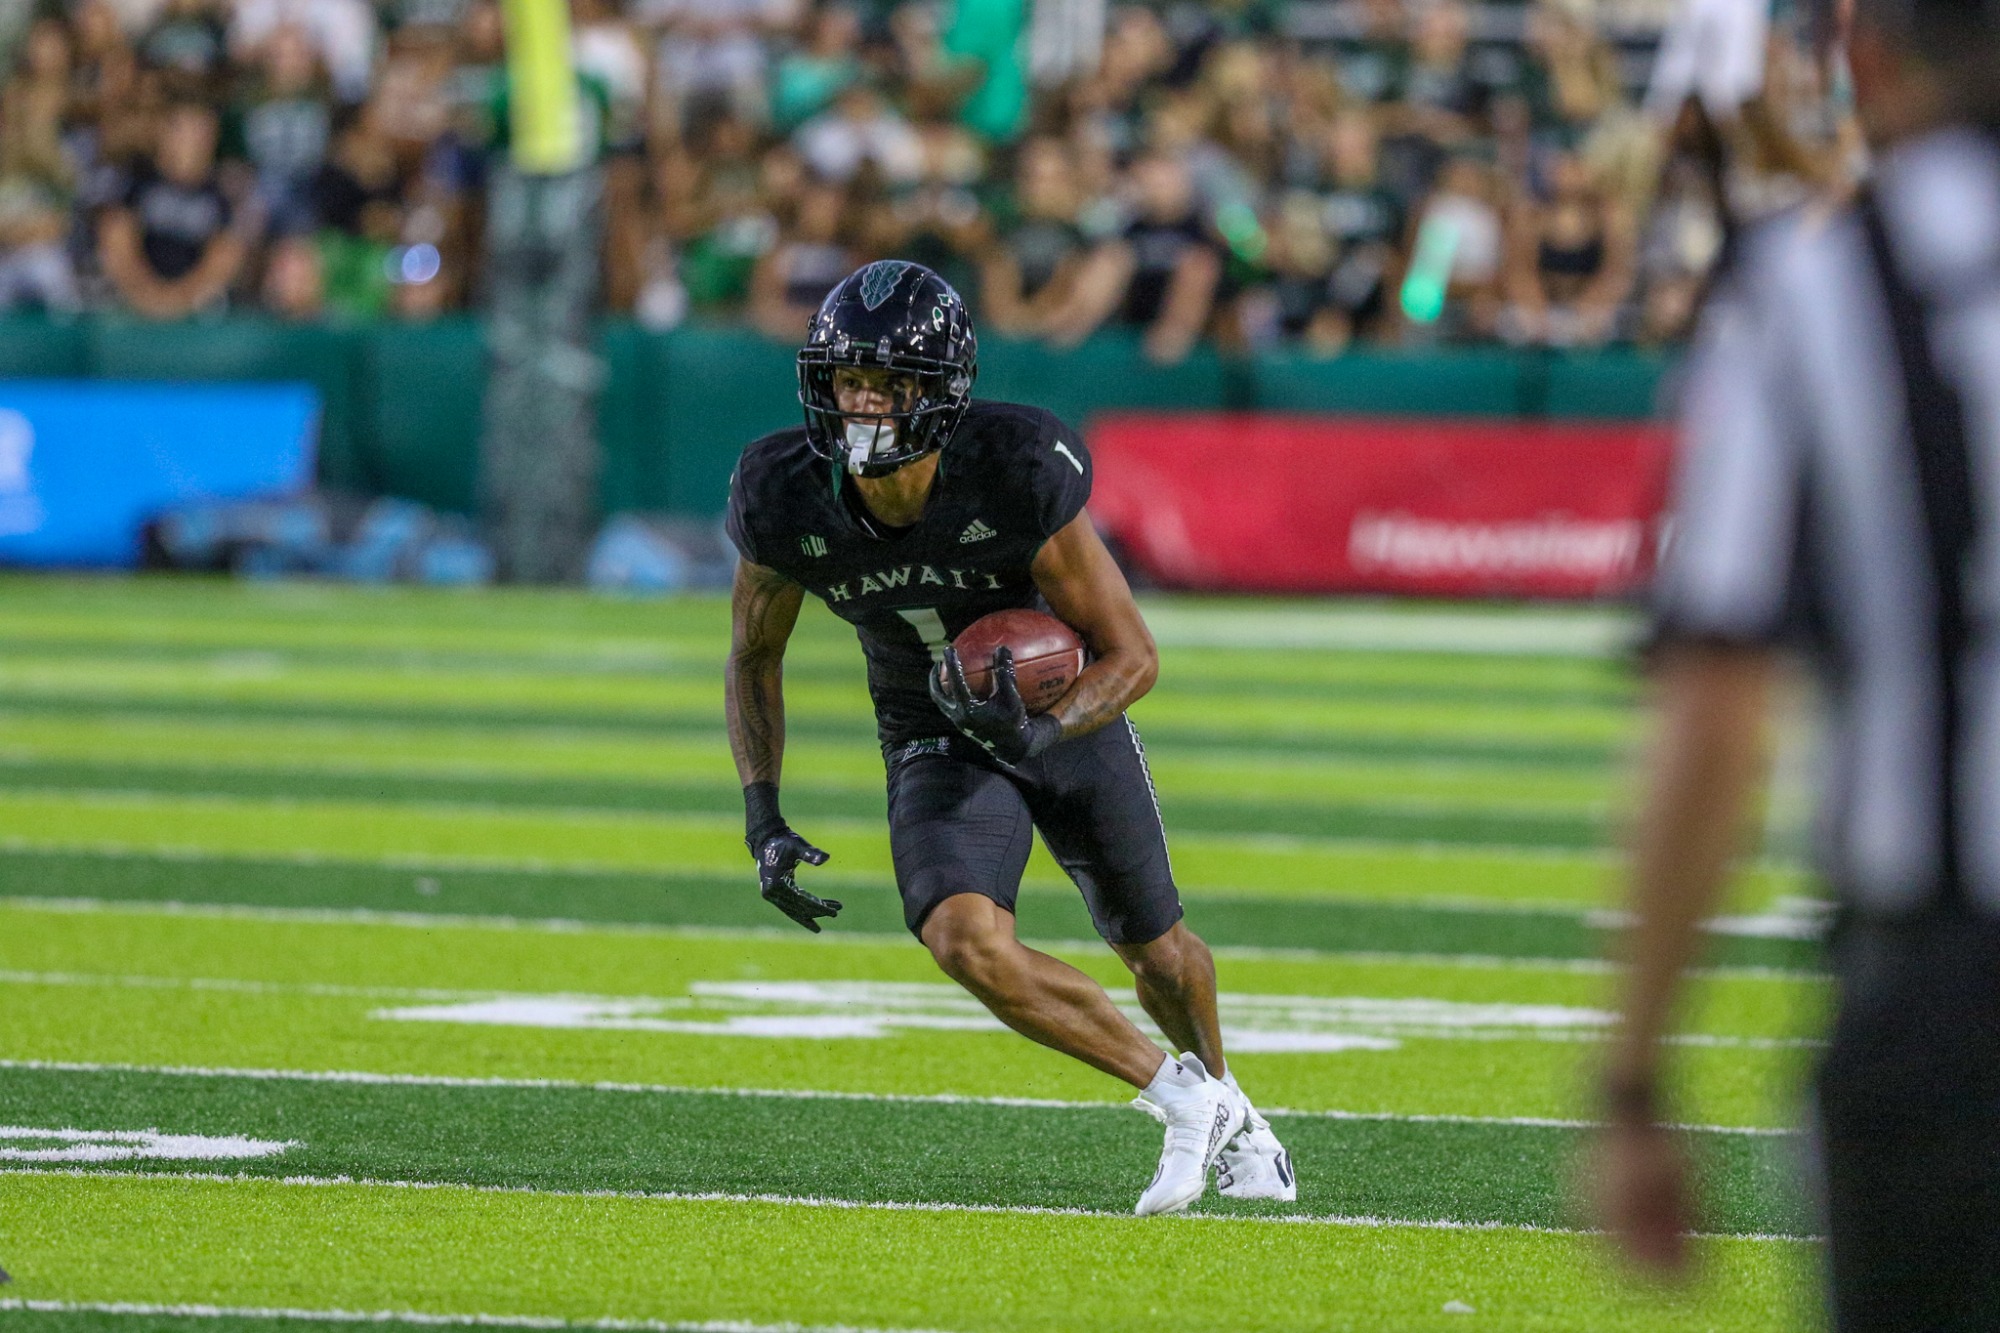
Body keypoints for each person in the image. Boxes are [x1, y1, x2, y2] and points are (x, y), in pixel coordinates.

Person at [723, 259, 1294, 1216]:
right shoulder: (783, 492)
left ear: (939, 394)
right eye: (847, 379)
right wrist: (762, 815)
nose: (862, 403)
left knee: (1157, 951)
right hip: (927, 725)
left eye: (888, 384)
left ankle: (1236, 1106)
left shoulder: (1016, 466)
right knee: (962, 939)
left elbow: (1133, 654)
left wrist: (1041, 730)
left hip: (1060, 710)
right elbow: (753, 655)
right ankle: (1186, 1098)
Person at [1598, 0, 2000, 1323]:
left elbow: (1716, 703)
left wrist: (1635, 1077)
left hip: (1944, 992)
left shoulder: (1819, 284)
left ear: (1864, 58)